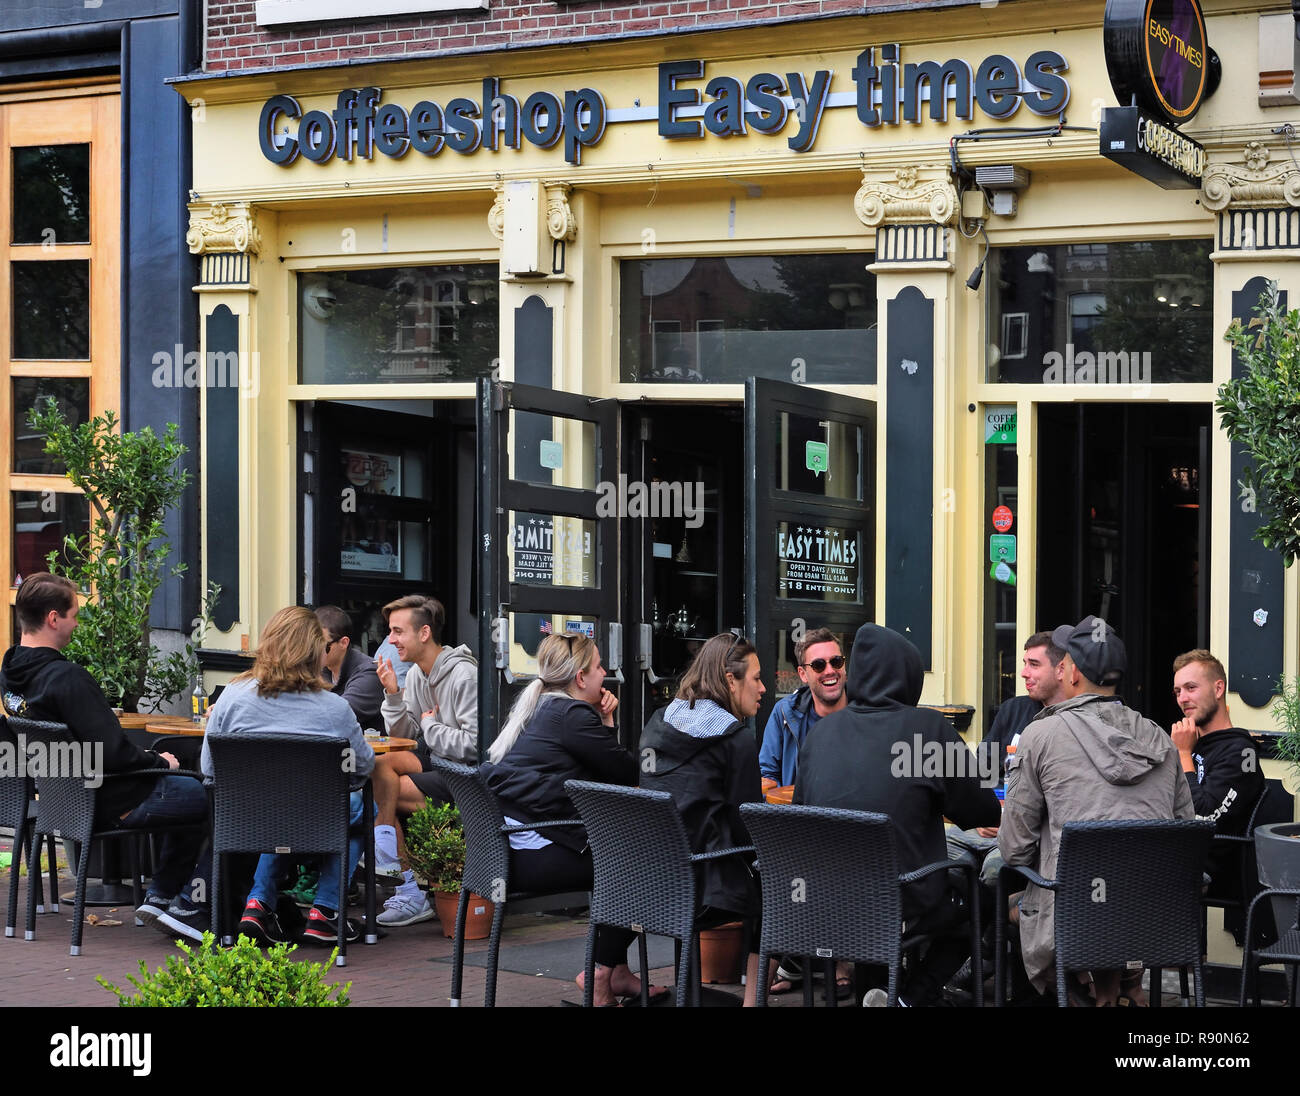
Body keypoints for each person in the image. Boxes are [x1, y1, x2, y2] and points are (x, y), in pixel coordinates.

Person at [794, 622, 1001, 1005]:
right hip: (901, 896)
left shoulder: (820, 734)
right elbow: (983, 809)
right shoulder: (928, 728)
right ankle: (910, 998)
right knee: (981, 898)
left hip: (824, 900)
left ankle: (879, 995)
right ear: (909, 676)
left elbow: (801, 816)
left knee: (877, 889)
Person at [999, 615, 1193, 1006]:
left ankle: (1082, 995)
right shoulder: (1160, 738)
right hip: (1154, 921)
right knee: (1107, 903)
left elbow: (1014, 850)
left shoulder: (1041, 734)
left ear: (1071, 673)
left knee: (1005, 902)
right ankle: (1113, 988)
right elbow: (1184, 833)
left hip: (1073, 921)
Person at [0, 572, 208, 930]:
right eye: (74, 615)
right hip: (109, 799)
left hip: (58, 801)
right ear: (53, 618)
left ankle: (162, 896)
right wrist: (159, 760)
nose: (77, 624)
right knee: (207, 795)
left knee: (184, 793)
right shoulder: (68, 678)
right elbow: (112, 753)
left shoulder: (10, 674)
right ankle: (186, 902)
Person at [480, 632, 666, 1006]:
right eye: (598, 666)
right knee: (644, 867)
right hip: (536, 854)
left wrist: (605, 721)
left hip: (508, 852)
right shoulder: (571, 715)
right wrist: (606, 723)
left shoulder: (543, 707)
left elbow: (601, 776)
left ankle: (617, 972)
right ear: (581, 678)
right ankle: (599, 974)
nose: (605, 672)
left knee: (625, 859)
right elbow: (627, 772)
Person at [185, 605, 375, 946]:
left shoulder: (231, 697)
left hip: (242, 821)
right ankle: (326, 911)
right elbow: (361, 769)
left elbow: (209, 770)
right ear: (316, 652)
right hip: (316, 821)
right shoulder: (335, 709)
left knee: (281, 808)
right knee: (362, 808)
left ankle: (257, 905)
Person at [639, 632, 766, 1006]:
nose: (763, 688)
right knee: (778, 885)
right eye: (756, 678)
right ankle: (753, 1001)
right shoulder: (735, 740)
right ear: (730, 680)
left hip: (646, 882)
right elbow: (747, 826)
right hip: (705, 888)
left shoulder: (658, 722)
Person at [372, 594, 478, 927]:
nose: (391, 640)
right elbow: (406, 735)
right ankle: (386, 853)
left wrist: (431, 726)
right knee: (379, 767)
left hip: (467, 774)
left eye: (397, 631)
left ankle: (404, 885)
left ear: (424, 633)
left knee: (387, 791)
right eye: (390, 631)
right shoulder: (418, 674)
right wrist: (393, 695)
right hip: (439, 761)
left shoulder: (464, 676)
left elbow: (473, 746)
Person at [1171, 649, 1265, 904]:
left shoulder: (1241, 752)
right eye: (1178, 691)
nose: (1183, 698)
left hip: (1209, 871)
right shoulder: (1192, 744)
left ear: (1218, 688)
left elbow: (1203, 816)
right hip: (1175, 856)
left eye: (1191, 688)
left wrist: (1183, 754)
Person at [759, 627, 846, 791]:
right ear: (803, 674)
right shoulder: (784, 713)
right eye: (818, 665)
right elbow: (767, 776)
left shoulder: (867, 711)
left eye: (836, 662)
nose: (830, 671)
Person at [316, 605, 384, 730]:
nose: (315, 651)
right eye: (311, 644)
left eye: (322, 646)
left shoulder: (370, 673)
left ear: (344, 643)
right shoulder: (319, 670)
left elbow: (339, 716)